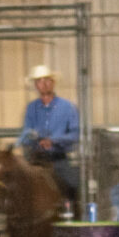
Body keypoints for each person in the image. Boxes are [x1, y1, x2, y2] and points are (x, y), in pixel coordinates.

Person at [17, 64, 80, 210]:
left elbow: (75, 134)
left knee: (73, 184)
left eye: (47, 80)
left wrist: (55, 141)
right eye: (39, 81)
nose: (43, 84)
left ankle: (73, 215)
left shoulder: (67, 107)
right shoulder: (31, 108)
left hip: (58, 157)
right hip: (35, 158)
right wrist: (30, 140)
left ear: (53, 82)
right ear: (35, 85)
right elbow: (26, 131)